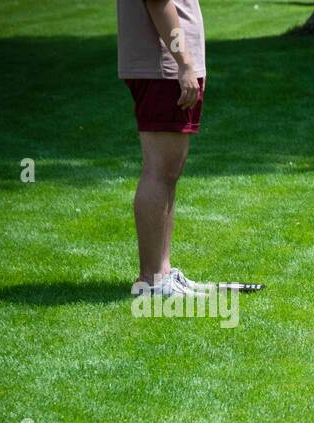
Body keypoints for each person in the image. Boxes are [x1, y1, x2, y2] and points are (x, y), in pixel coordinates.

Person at [118, 0, 207, 296]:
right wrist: (184, 64)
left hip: (164, 65)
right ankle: (152, 279)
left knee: (168, 173)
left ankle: (162, 272)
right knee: (159, 171)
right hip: (163, 67)